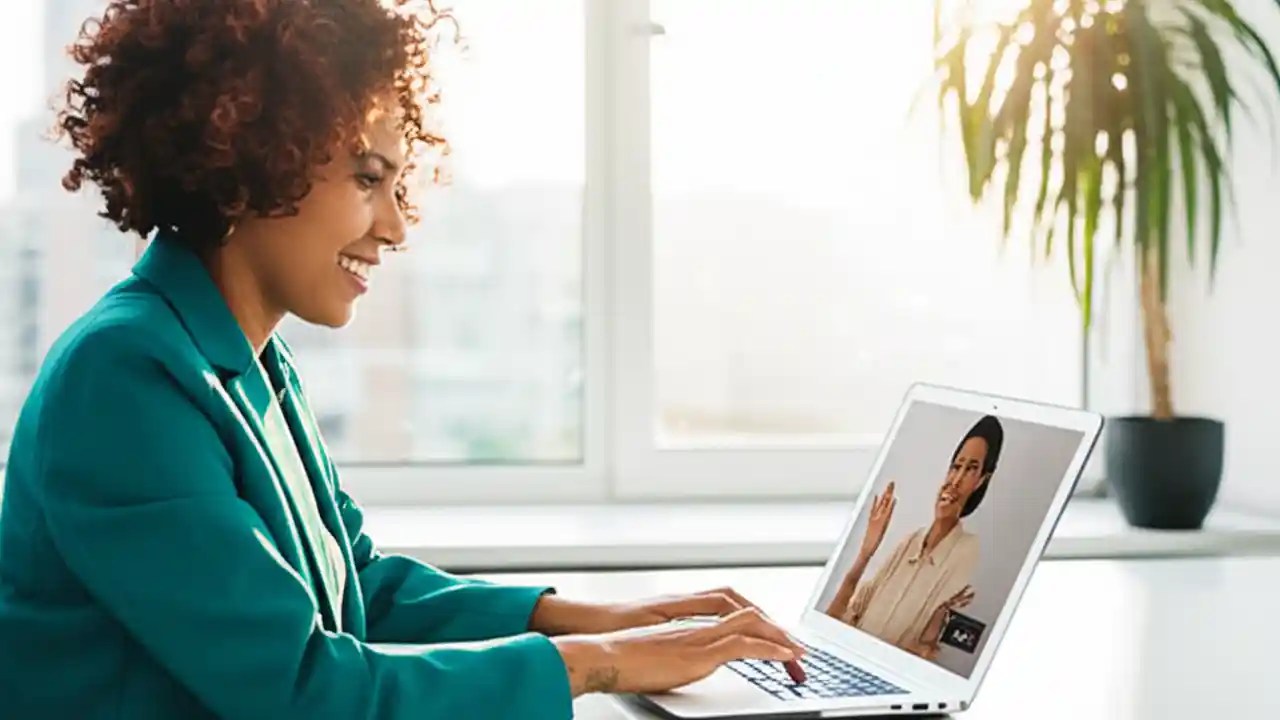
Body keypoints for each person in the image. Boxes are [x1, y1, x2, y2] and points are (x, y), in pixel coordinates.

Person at [0, 1, 806, 718]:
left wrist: (606, 618)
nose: (394, 225)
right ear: (246, 160)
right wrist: (600, 667)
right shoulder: (125, 377)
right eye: (367, 177)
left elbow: (358, 588)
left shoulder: (247, 361)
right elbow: (305, 689)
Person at [823, 415, 1004, 660]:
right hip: (847, 659)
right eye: (955, 466)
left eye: (971, 469)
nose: (956, 480)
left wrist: (935, 627)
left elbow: (926, 652)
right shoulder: (911, 541)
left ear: (982, 480)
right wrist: (866, 553)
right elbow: (835, 620)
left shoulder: (968, 551)